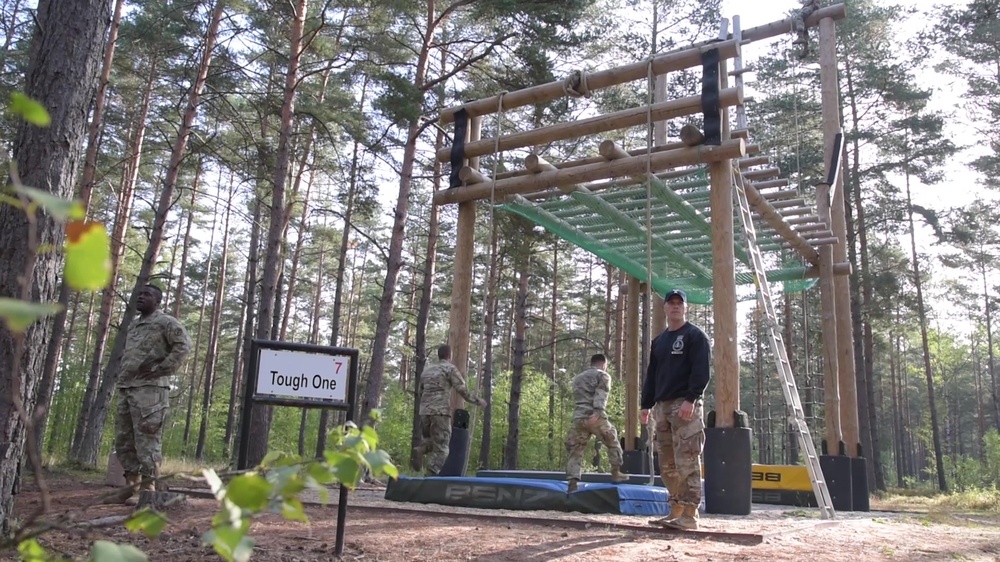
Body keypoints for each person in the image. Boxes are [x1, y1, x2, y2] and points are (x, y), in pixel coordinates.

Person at [106, 283, 191, 503]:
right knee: (125, 440)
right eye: (139, 294)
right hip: (128, 388)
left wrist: (161, 369)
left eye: (147, 295)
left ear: (158, 300)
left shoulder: (166, 323)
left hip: (150, 392)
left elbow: (183, 345)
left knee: (147, 439)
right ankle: (131, 487)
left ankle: (148, 489)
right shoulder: (135, 326)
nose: (141, 297)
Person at [641, 288, 710, 530]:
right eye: (671, 303)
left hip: (685, 404)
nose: (675, 307)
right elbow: (652, 375)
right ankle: (676, 510)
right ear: (665, 309)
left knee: (688, 459)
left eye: (679, 303)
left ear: (685, 307)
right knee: (667, 463)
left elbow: (701, 371)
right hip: (662, 407)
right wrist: (646, 404)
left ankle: (690, 516)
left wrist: (691, 399)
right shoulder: (659, 341)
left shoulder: (695, 336)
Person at [414, 344, 487, 476]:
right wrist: (478, 401)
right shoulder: (450, 369)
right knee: (442, 449)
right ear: (449, 356)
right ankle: (429, 476)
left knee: (431, 440)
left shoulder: (427, 370)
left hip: (424, 411)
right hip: (440, 412)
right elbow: (462, 390)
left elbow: (420, 392)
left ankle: (421, 449)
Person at [565, 353, 629, 492]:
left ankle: (572, 482)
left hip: (578, 418)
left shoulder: (578, 378)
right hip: (594, 416)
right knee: (612, 442)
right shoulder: (602, 375)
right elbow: (602, 393)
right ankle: (616, 472)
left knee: (576, 450)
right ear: (603, 364)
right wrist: (598, 411)